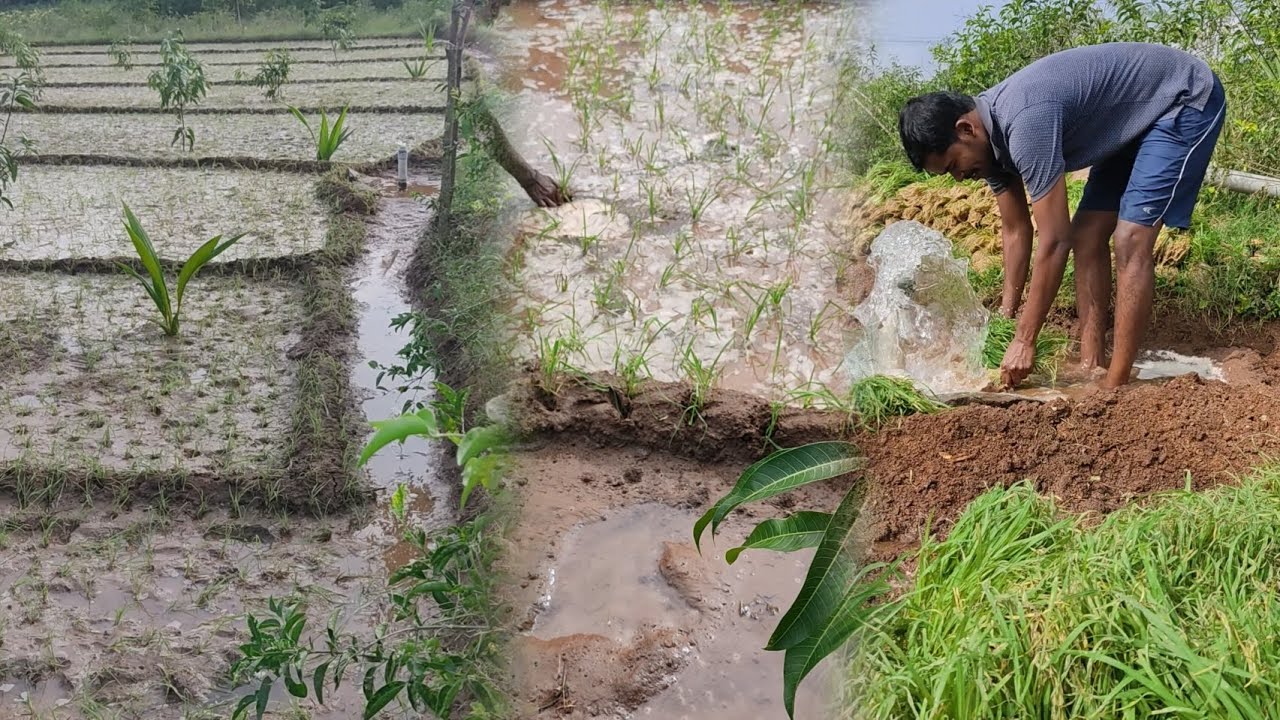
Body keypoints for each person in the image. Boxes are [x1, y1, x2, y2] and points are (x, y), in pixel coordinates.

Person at [898, 43, 1226, 388]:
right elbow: (1015, 231)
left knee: (1130, 237)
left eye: (953, 165)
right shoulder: (986, 149)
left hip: (1181, 98)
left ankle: (1115, 386)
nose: (959, 177)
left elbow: (1054, 240)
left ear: (966, 130)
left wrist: (1025, 340)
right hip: (1131, 122)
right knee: (1087, 235)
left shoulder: (1024, 122)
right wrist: (1006, 322)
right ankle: (1092, 365)